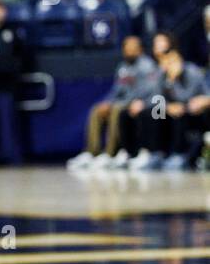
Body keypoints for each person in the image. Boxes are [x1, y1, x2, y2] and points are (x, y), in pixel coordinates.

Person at [66, 34, 158, 170]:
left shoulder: (147, 65)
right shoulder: (123, 67)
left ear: (140, 49)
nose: (130, 51)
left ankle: (110, 153)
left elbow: (148, 91)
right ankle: (92, 152)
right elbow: (116, 90)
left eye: (133, 48)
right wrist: (107, 102)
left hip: (138, 102)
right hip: (121, 101)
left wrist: (122, 103)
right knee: (97, 109)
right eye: (127, 48)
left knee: (116, 109)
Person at [125, 47, 206, 171]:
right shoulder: (163, 74)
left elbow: (186, 96)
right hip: (172, 109)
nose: (171, 64)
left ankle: (179, 154)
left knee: (179, 113)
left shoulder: (192, 72)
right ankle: (155, 153)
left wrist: (173, 82)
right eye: (167, 62)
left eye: (174, 60)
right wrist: (167, 106)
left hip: (194, 110)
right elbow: (157, 97)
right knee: (152, 113)